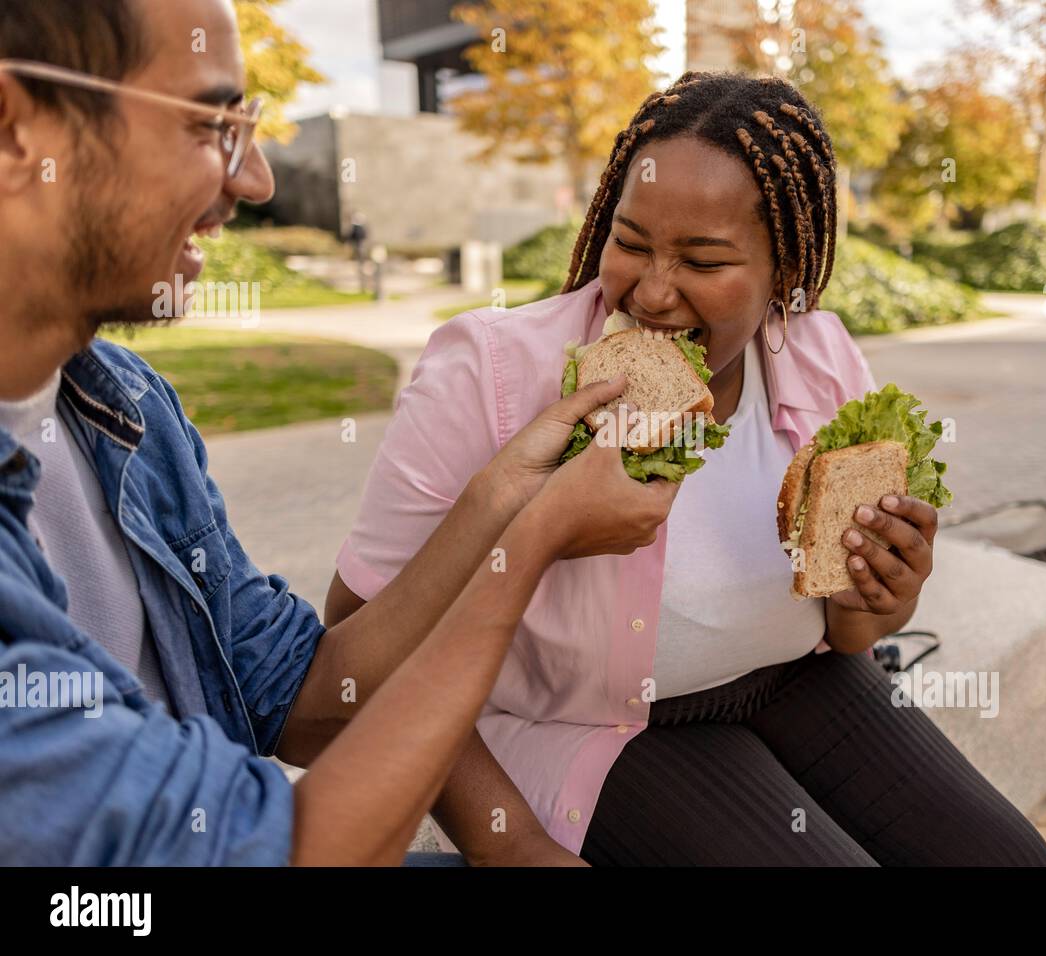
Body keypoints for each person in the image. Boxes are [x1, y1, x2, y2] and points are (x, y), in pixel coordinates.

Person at [0, 0, 675, 866]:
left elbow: (306, 697)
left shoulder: (125, 409)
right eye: (212, 125)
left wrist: (501, 501)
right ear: (19, 130)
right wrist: (538, 539)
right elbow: (289, 852)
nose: (255, 183)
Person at [329, 72, 1046, 866]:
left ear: (785, 274)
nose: (651, 291)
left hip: (798, 682)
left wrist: (881, 597)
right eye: (631, 241)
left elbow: (848, 635)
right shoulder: (490, 373)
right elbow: (353, 633)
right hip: (600, 729)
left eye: (704, 261)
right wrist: (510, 844)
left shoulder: (821, 356)